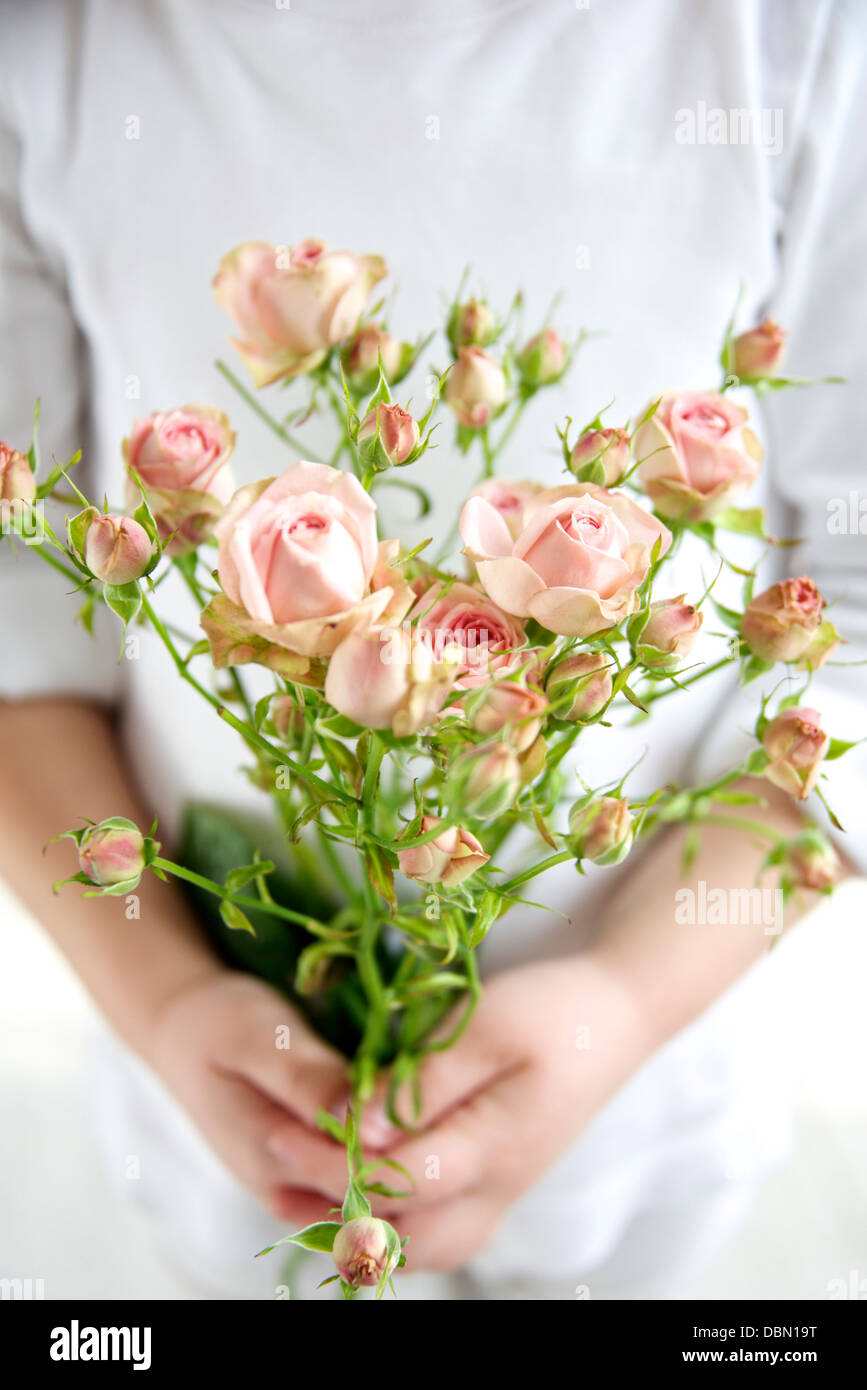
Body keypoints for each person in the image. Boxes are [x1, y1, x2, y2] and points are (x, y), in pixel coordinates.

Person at [0, 0, 864, 1299]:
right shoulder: (51, 43)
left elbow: (850, 602)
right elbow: (17, 597)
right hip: (217, 1116)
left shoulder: (793, 35)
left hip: (645, 1104)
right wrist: (168, 996)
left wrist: (618, 1004)